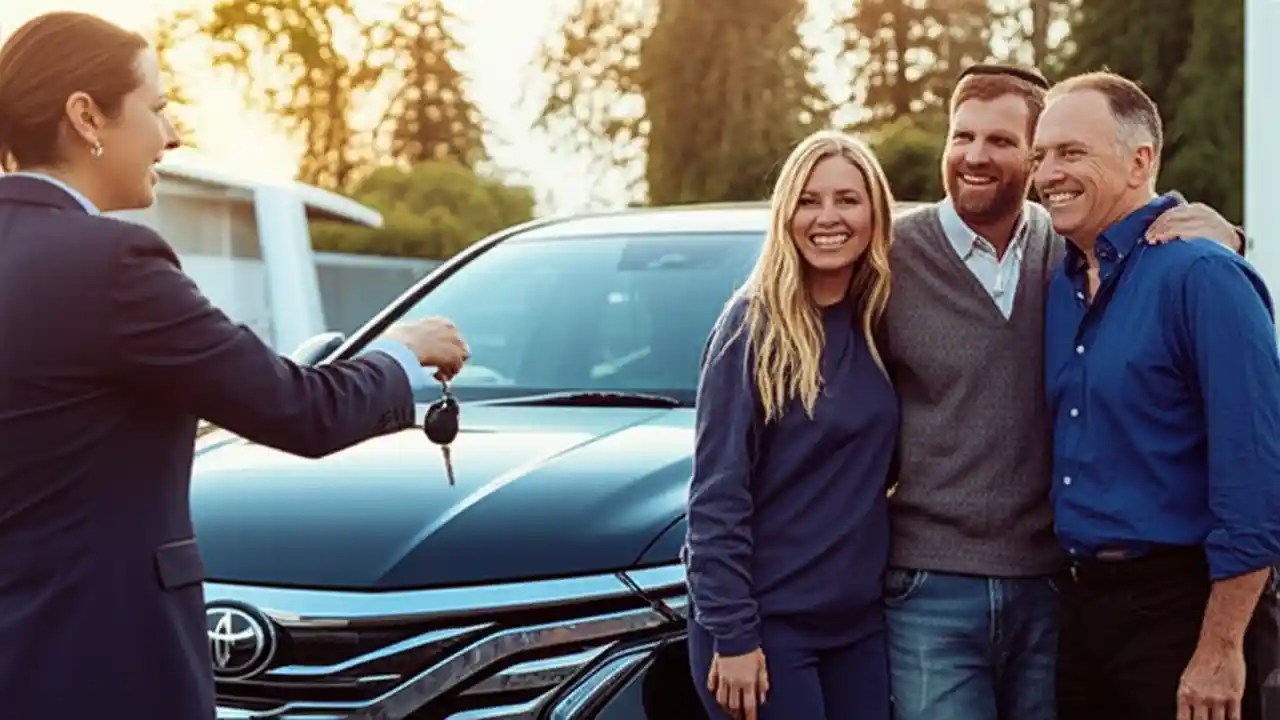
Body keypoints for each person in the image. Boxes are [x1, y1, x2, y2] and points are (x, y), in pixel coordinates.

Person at [0, 12, 469, 720]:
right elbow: (301, 409)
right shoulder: (114, 264)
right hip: (105, 668)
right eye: (156, 108)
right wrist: (405, 352)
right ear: (86, 115)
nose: (173, 135)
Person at [879, 63, 1246, 720]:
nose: (975, 156)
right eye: (961, 137)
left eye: (1009, 143)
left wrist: (1226, 237)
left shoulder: (1084, 253)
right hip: (956, 590)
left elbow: (1253, 476)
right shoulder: (893, 258)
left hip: (1084, 592)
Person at [1035, 70, 1280, 720]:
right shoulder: (1059, 285)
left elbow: (1254, 479)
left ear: (1140, 160)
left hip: (1183, 613)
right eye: (1041, 156)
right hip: (1080, 613)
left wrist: (1221, 647)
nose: (1046, 173)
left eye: (1070, 152)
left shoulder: (1203, 276)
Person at [684, 129, 898, 720]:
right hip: (764, 630)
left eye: (848, 200)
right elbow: (715, 498)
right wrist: (733, 635)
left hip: (859, 629)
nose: (827, 217)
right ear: (786, 215)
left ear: (875, 212)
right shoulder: (750, 329)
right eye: (808, 200)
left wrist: (1167, 218)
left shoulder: (881, 320)